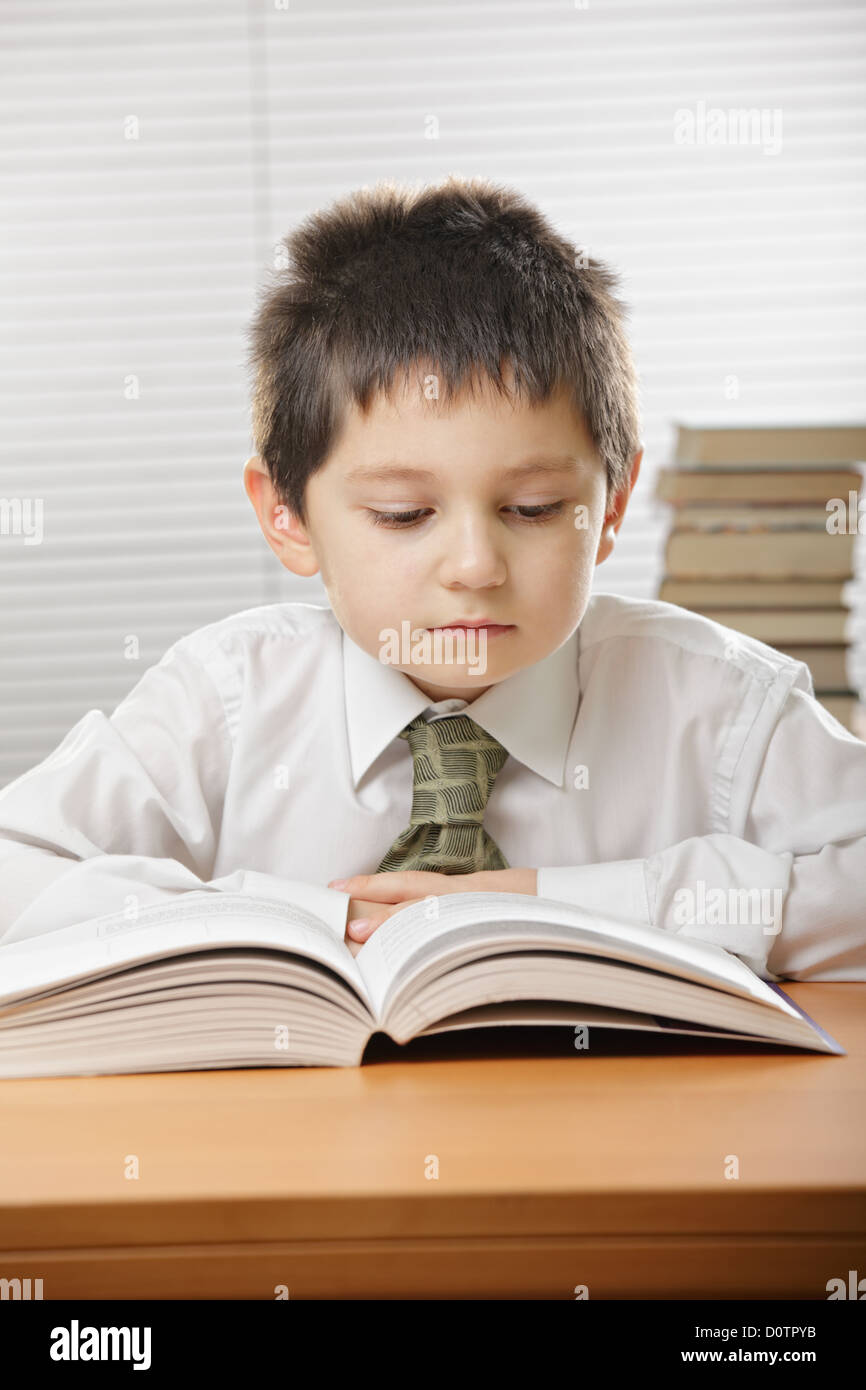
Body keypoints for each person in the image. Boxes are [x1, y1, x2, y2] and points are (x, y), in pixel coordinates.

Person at [1, 174, 864, 981]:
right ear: (287, 516)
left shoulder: (714, 704)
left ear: (611, 505)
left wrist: (551, 910)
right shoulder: (226, 702)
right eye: (405, 516)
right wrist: (296, 921)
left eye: (530, 508)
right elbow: (16, 872)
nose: (476, 567)